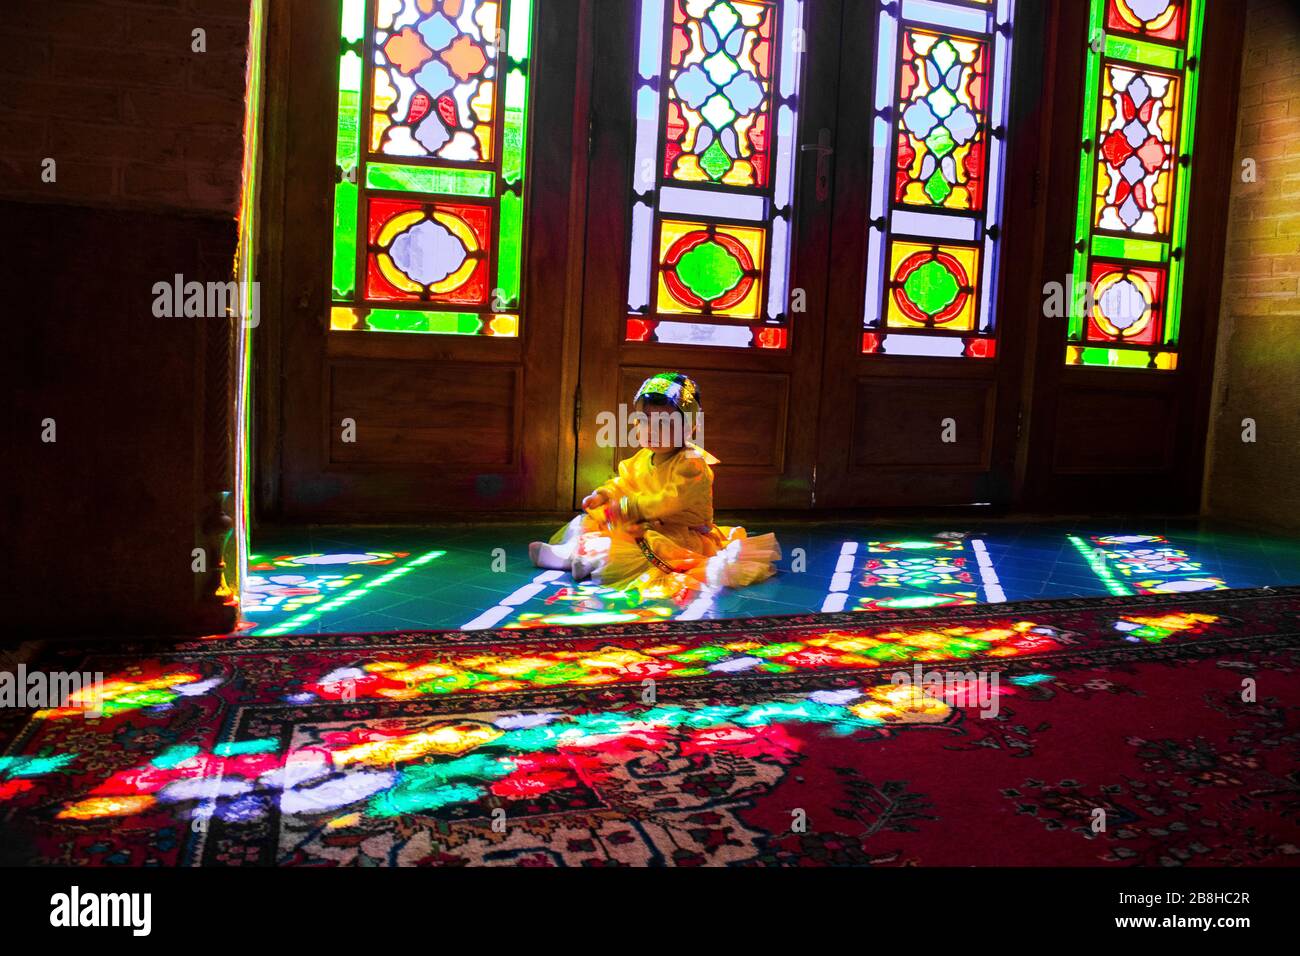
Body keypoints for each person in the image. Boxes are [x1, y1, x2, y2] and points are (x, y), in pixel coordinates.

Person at [529, 372, 781, 600]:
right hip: (644, 520)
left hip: (680, 533)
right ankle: (569, 551)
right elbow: (625, 482)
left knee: (639, 546)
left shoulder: (692, 463)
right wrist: (604, 495)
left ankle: (588, 560)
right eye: (645, 421)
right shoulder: (643, 457)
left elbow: (671, 500)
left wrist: (629, 507)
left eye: (665, 424)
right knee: (591, 518)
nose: (652, 430)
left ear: (690, 428)